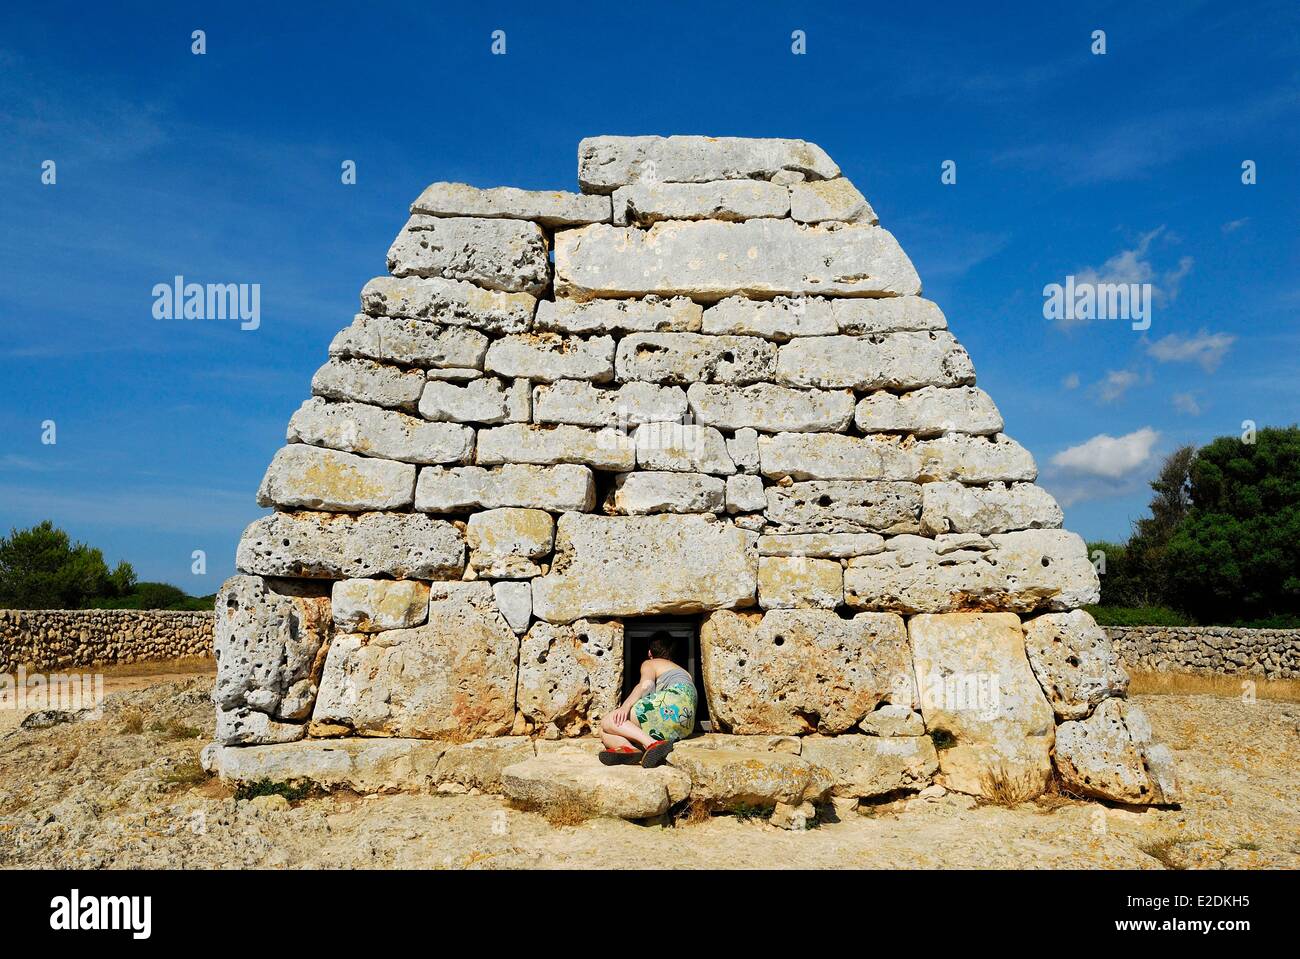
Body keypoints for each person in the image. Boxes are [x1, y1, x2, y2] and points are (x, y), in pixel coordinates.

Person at [599, 631, 697, 768]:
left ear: (650, 653)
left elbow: (646, 685)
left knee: (608, 721)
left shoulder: (651, 663)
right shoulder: (684, 672)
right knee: (604, 732)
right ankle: (630, 750)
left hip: (672, 703)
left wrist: (624, 707)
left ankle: (651, 744)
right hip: (685, 723)